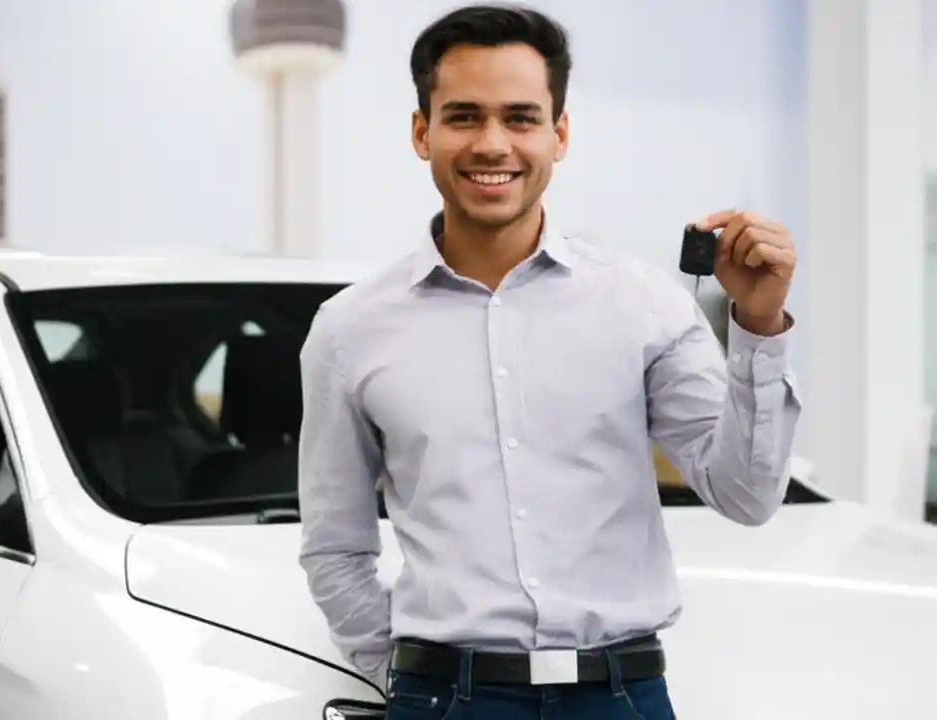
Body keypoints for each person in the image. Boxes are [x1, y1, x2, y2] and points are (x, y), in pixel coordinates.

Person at [298, 4, 802, 718]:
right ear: (423, 132)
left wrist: (757, 323)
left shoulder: (642, 303)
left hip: (621, 698)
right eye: (464, 115)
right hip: (444, 700)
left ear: (559, 134)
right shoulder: (350, 331)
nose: (493, 143)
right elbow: (334, 548)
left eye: (522, 118)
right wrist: (414, 685)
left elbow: (747, 496)